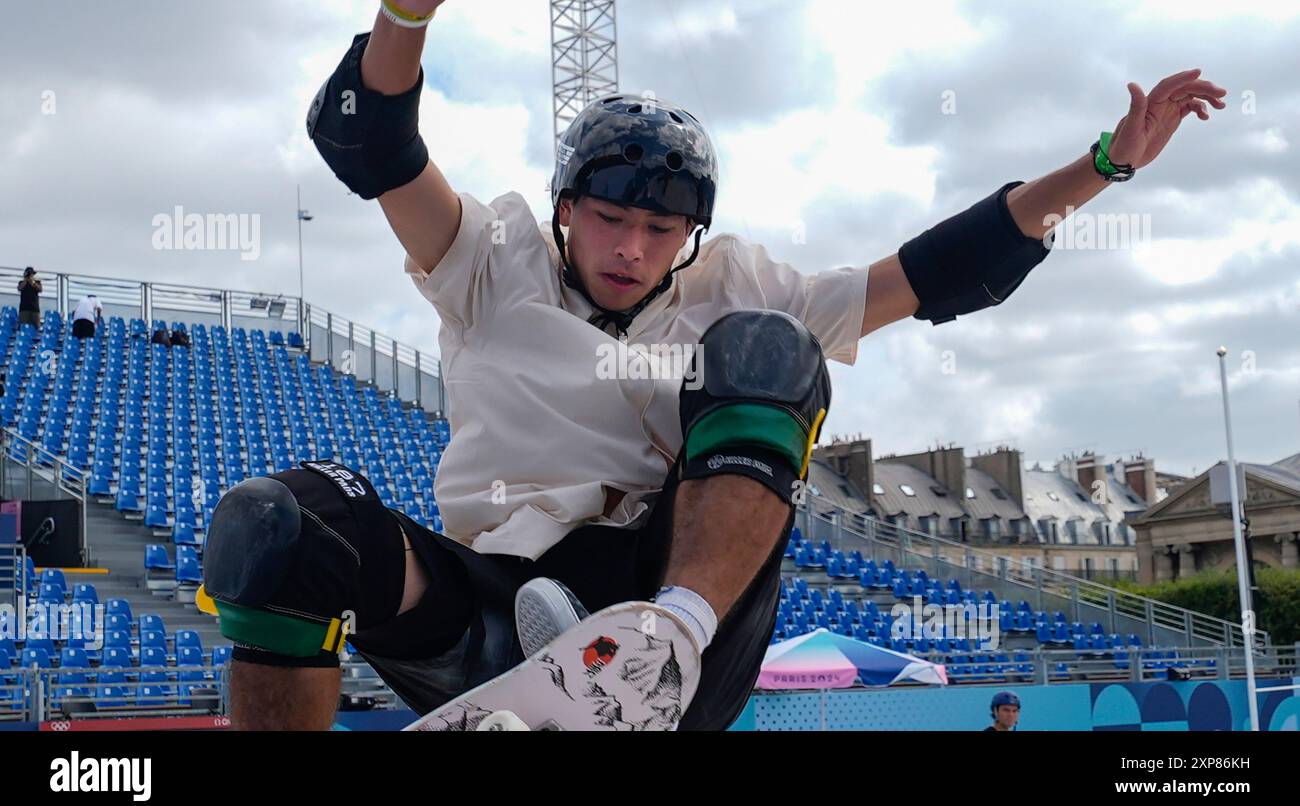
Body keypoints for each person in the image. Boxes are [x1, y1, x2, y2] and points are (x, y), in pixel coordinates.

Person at [201, 0, 1226, 731]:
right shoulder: (484, 258)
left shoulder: (736, 282)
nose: (630, 250)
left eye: (659, 229)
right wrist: (408, 14)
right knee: (280, 524)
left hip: (681, 617)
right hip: (487, 607)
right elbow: (372, 144)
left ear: (689, 235)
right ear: (565, 208)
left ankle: (644, 645)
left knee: (769, 350)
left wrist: (1101, 167)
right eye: (607, 219)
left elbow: (934, 272)